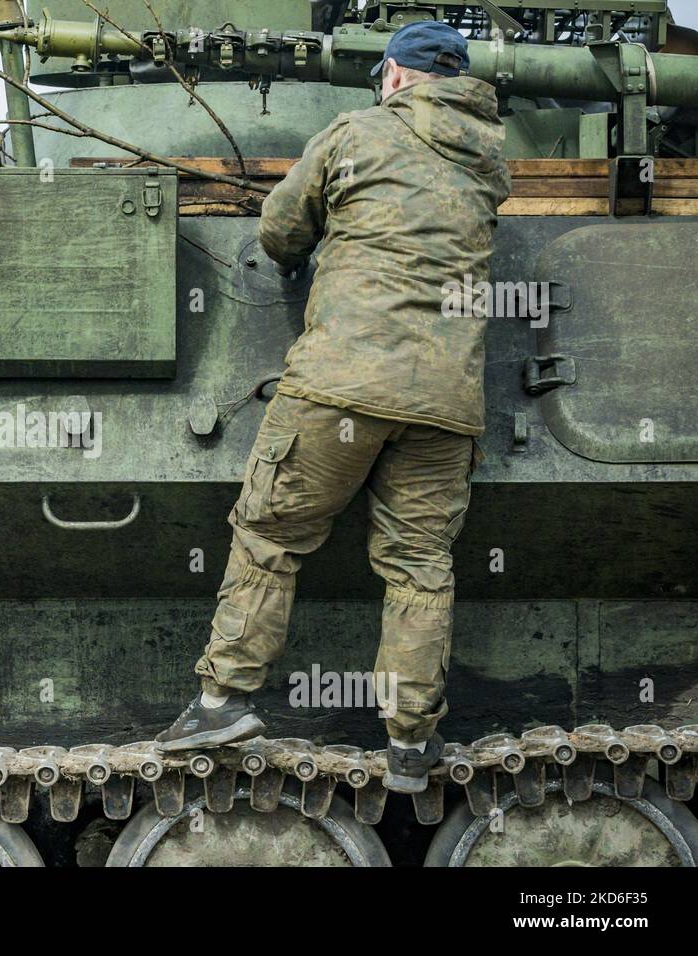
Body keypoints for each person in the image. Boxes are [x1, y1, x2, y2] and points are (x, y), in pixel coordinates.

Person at [155, 20, 511, 794]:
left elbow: (282, 230)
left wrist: (304, 252)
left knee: (271, 532)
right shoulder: (491, 162)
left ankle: (225, 701)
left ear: (395, 76)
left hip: (344, 381)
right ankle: (412, 745)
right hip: (448, 399)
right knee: (420, 566)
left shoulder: (356, 131)